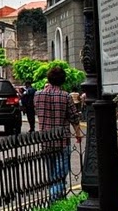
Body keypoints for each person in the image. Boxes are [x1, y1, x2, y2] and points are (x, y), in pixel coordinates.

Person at [34, 66, 82, 200]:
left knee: (51, 174)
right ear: (63, 80)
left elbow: (38, 112)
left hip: (45, 140)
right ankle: (55, 201)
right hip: (62, 141)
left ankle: (57, 197)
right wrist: (78, 134)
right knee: (60, 174)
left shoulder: (38, 95)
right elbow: (74, 118)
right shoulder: (65, 96)